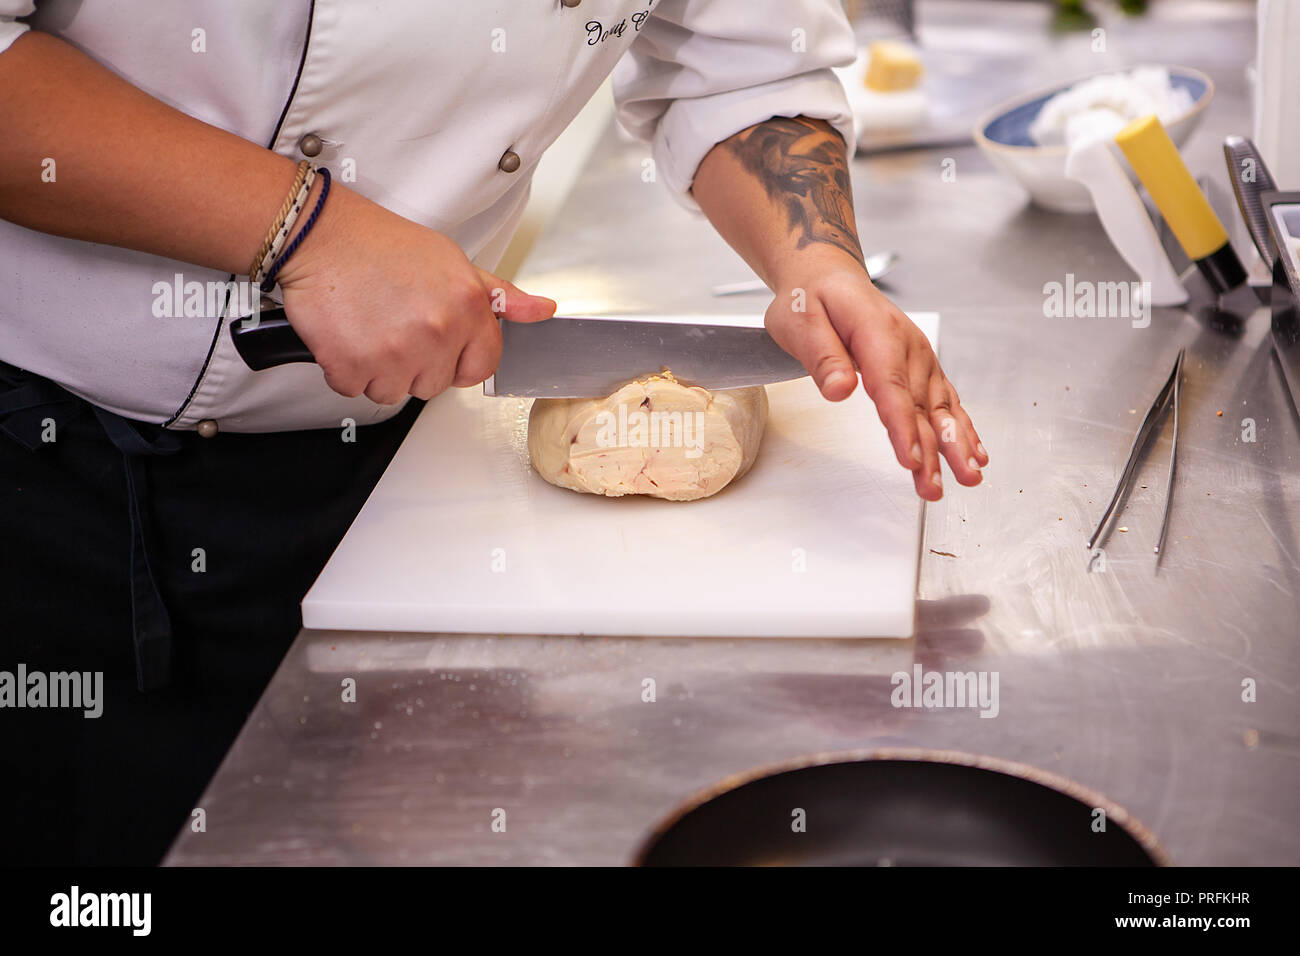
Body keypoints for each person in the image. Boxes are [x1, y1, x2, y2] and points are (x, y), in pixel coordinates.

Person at [0, 0, 986, 864]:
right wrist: (305, 227)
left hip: (390, 467)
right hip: (55, 471)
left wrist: (818, 261)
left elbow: (741, 63)